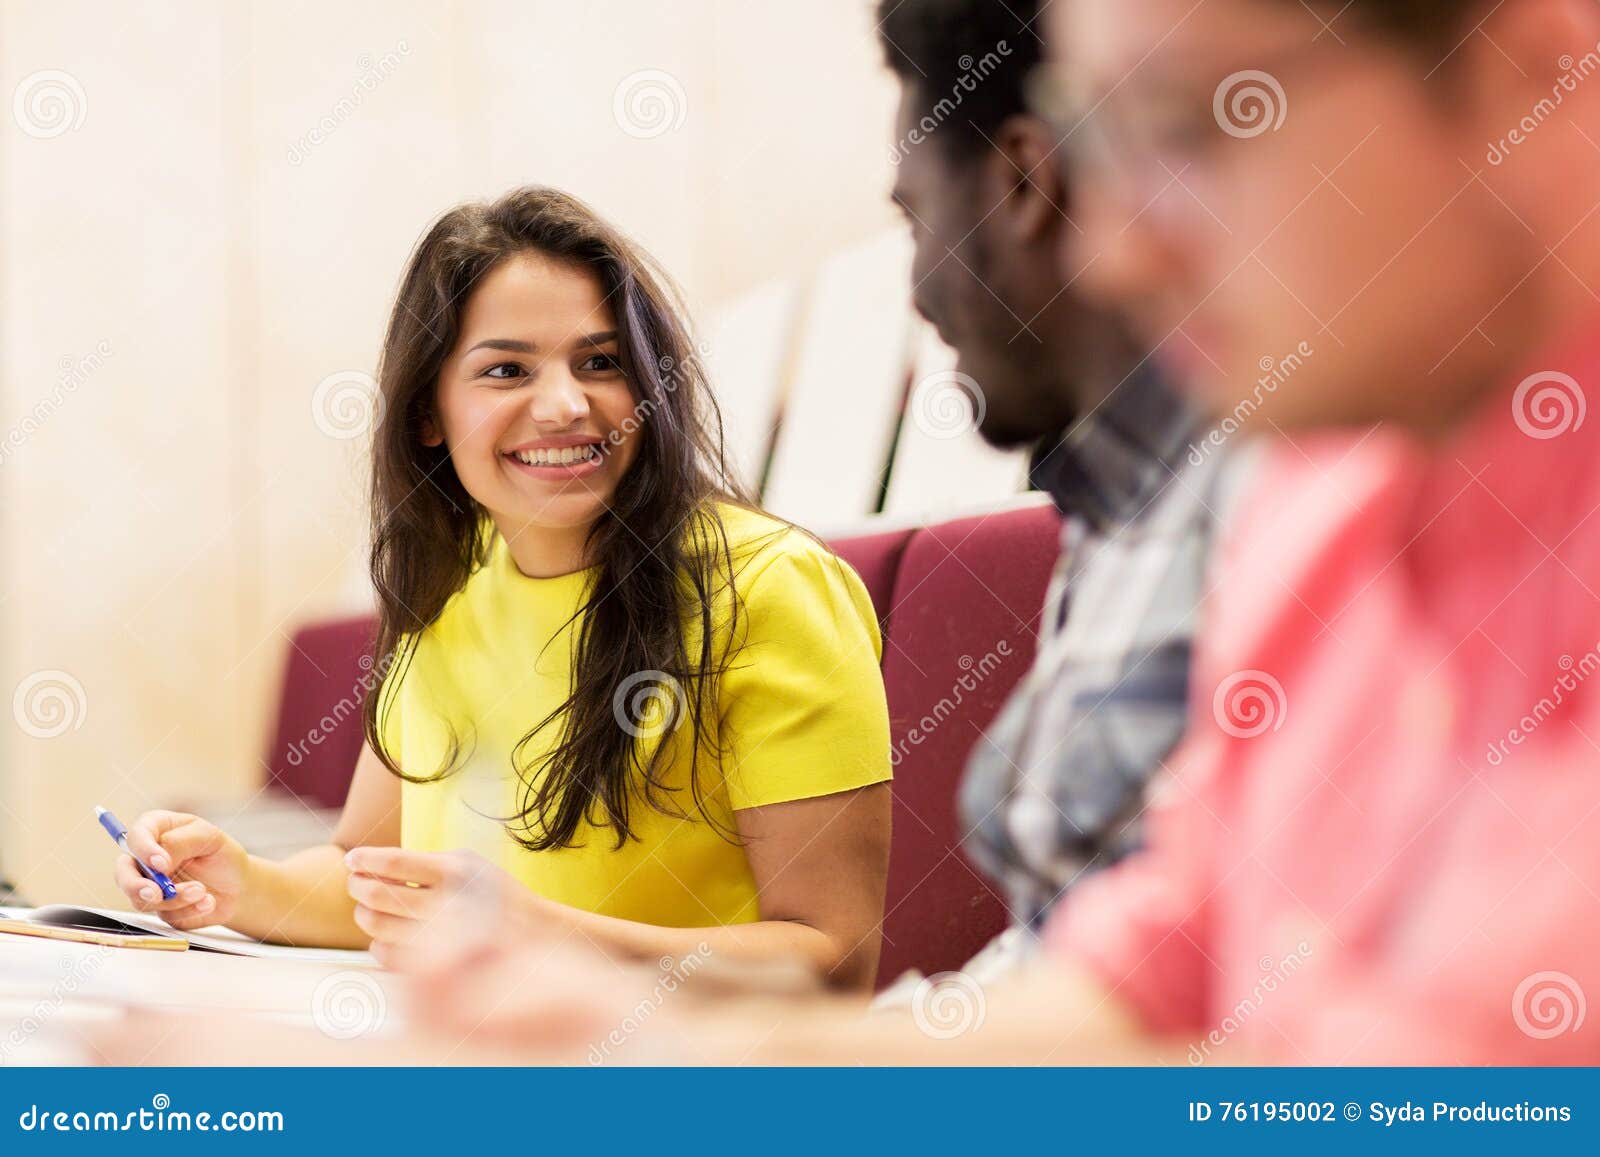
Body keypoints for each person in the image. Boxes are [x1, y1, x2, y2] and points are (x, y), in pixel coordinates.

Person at [109, 186, 893, 991]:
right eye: (506, 369)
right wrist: (244, 882)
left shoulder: (774, 587)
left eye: (602, 362)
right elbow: (373, 879)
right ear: (428, 415)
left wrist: (534, 931)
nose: (564, 404)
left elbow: (833, 961)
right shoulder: (445, 590)